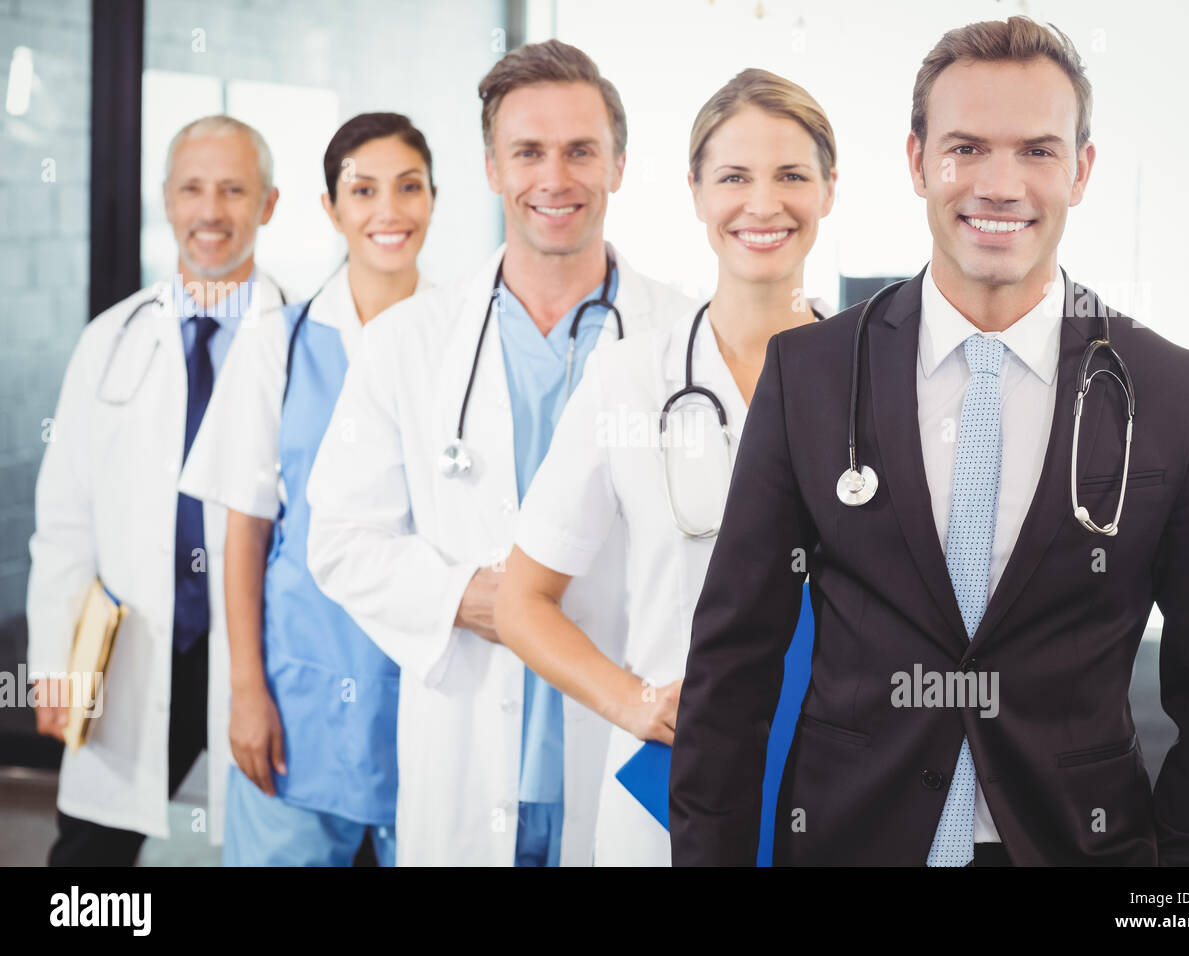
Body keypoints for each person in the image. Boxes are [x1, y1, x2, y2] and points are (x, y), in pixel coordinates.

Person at [669, 16, 1189, 866]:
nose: (999, 184)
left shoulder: (1178, 396)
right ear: (917, 162)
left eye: (1036, 150)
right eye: (966, 148)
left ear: (1081, 170)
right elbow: (731, 674)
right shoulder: (810, 376)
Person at [304, 40, 692, 866]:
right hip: (470, 746)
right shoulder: (408, 343)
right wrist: (477, 600)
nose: (555, 178)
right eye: (528, 152)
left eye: (581, 150)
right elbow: (338, 539)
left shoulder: (686, 340)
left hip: (634, 746)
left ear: (619, 164)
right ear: (490, 168)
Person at [495, 69, 836, 866]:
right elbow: (521, 601)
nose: (763, 204)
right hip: (671, 796)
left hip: (841, 789)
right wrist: (635, 701)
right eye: (733, 177)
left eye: (792, 175)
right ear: (694, 191)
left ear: (828, 189)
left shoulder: (880, 380)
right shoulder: (630, 378)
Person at [177, 113, 436, 866]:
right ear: (331, 208)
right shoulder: (278, 342)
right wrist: (245, 692)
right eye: (363, 190)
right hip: (300, 691)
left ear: (432, 199)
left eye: (409, 187)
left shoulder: (462, 338)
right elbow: (246, 531)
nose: (388, 211)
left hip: (423, 686)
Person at [28, 115, 287, 866]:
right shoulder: (110, 338)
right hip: (139, 642)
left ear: (268, 204)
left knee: (293, 840)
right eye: (193, 190)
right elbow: (65, 518)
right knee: (89, 857)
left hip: (260, 651)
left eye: (234, 190)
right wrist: (54, 659)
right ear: (167, 200)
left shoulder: (302, 340)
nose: (211, 212)